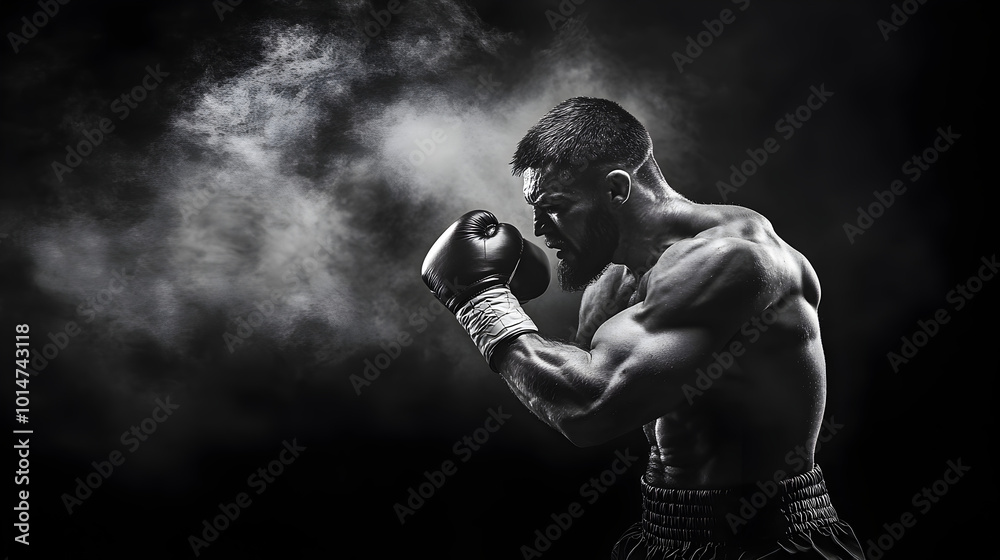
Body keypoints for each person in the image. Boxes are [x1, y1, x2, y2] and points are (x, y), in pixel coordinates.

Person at [421, 97, 865, 559]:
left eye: (554, 207)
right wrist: (508, 301)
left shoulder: (734, 260)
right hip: (660, 534)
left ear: (616, 189)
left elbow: (589, 409)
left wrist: (482, 302)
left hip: (763, 540)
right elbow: (562, 394)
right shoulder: (611, 285)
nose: (538, 228)